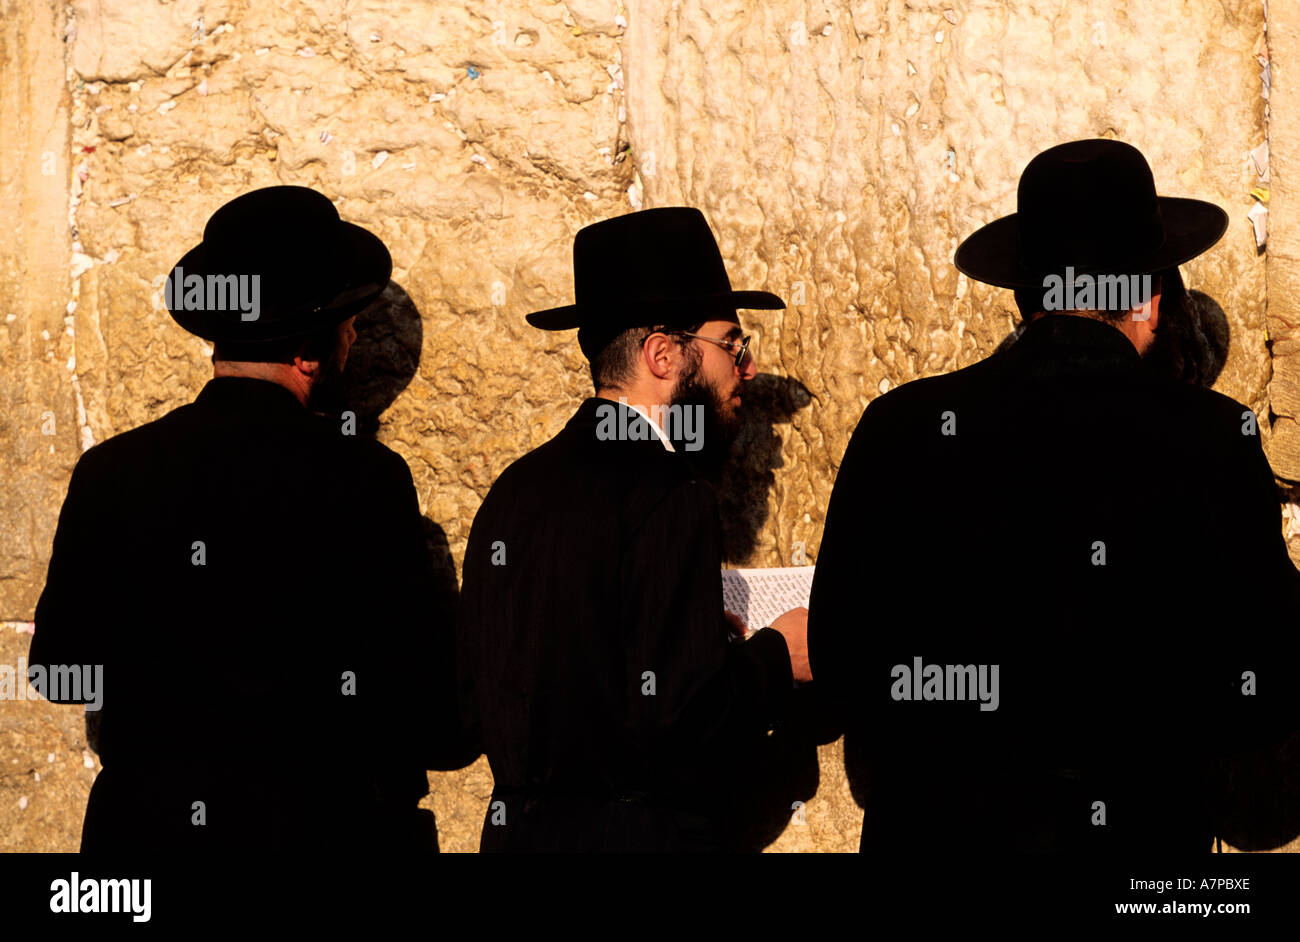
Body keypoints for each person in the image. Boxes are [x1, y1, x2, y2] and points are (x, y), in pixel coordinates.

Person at [808, 139, 1300, 853]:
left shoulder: (902, 427)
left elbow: (844, 665)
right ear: (1149, 302)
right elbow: (1266, 676)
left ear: (1023, 297)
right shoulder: (1215, 437)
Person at [28, 185, 471, 853]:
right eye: (347, 319)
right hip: (314, 830)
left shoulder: (111, 470)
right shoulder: (365, 479)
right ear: (310, 354)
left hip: (144, 837)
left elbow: (56, 667)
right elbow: (427, 710)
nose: (355, 333)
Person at [458, 206, 811, 852]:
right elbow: (683, 728)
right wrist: (774, 658)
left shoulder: (511, 493)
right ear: (662, 354)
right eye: (733, 344)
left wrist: (696, 647)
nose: (748, 369)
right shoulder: (675, 495)